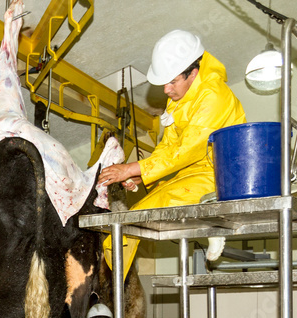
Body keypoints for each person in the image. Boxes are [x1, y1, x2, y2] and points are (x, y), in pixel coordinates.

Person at [98, 29, 246, 260]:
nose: (166, 90)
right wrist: (143, 173)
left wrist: (132, 168)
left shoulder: (214, 97)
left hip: (223, 177)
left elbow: (186, 150)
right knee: (131, 218)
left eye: (172, 82)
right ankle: (109, 278)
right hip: (194, 174)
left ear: (193, 73)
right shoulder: (179, 98)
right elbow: (168, 145)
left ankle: (213, 222)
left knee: (136, 220)